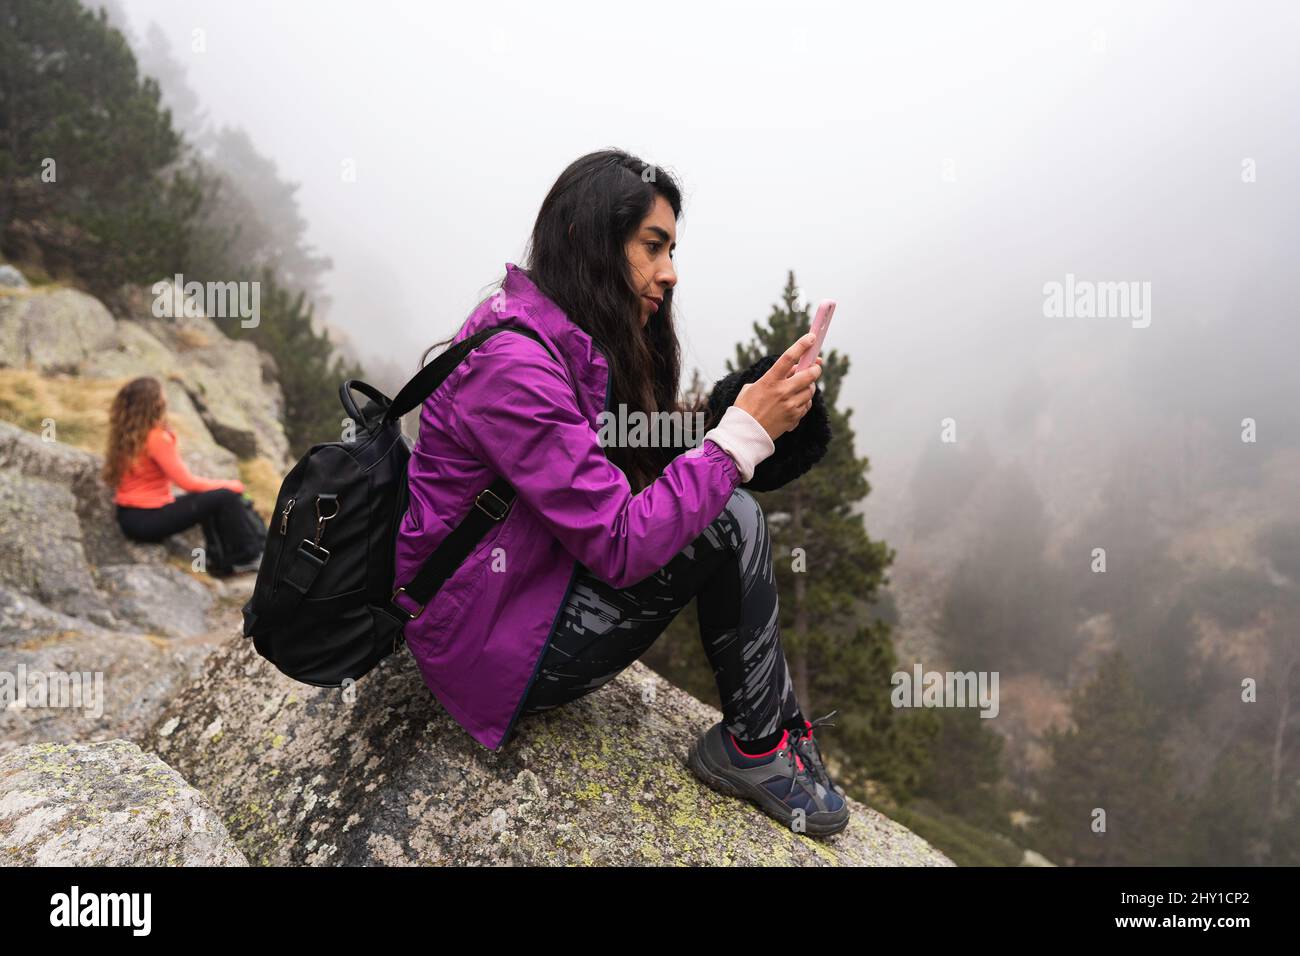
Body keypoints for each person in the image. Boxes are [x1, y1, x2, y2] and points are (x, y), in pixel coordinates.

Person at [393, 149, 848, 837]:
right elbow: (618, 540)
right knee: (729, 519)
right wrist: (741, 437)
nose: (670, 270)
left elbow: (618, 442)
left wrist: (744, 413)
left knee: (724, 508)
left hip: (517, 596)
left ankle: (775, 730)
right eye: (653, 246)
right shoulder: (513, 364)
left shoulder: (556, 337)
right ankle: (756, 747)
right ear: (588, 239)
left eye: (671, 249)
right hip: (484, 645)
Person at [104, 376, 262, 576]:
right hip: (148, 519)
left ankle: (222, 559)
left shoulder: (128, 435)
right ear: (156, 403)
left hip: (131, 518)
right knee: (226, 496)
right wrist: (230, 485)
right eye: (162, 396)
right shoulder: (156, 438)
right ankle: (248, 556)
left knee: (210, 500)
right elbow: (187, 482)